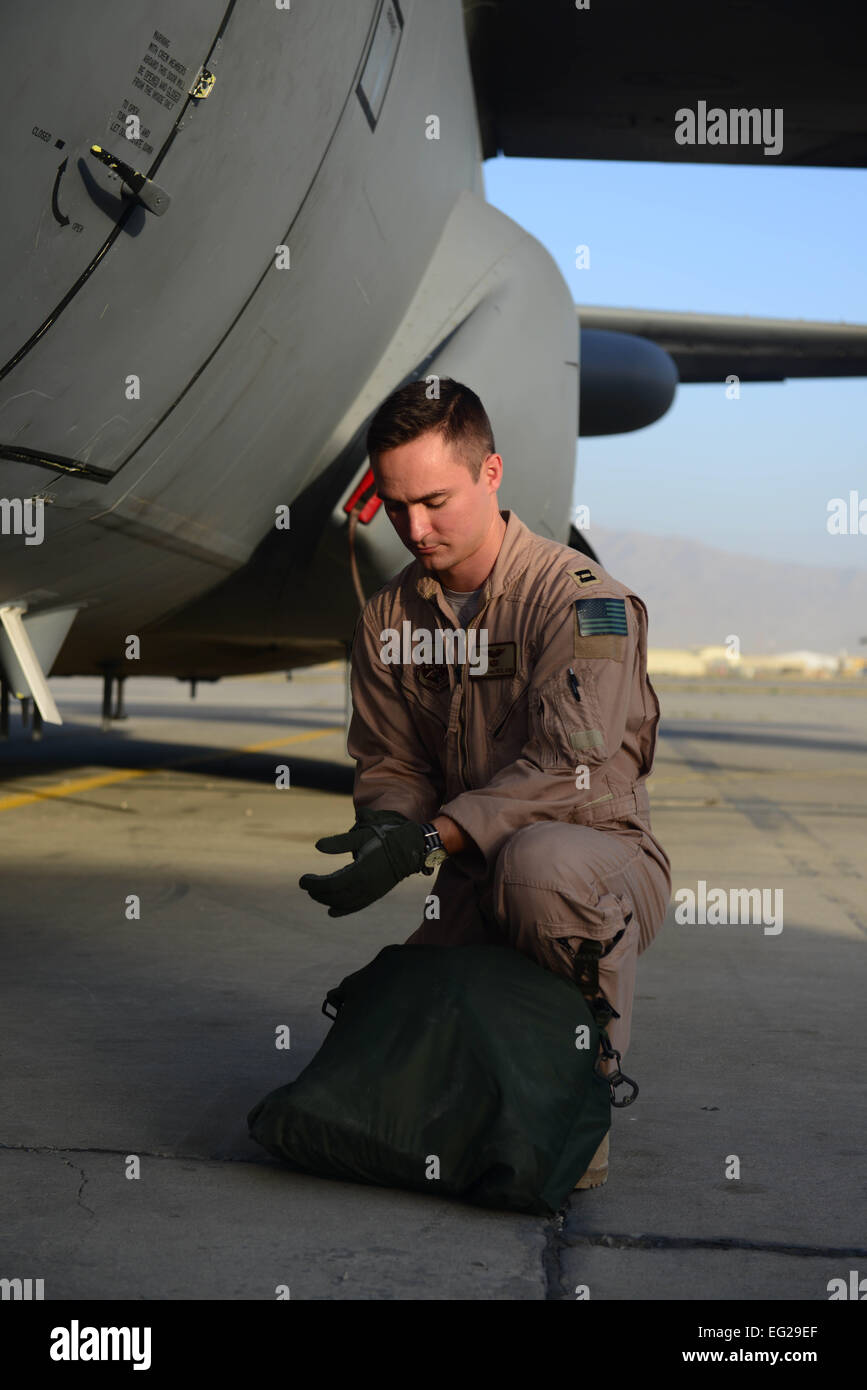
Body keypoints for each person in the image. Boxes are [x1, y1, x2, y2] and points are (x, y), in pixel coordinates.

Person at [300, 377, 671, 1188]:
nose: (414, 528)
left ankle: (578, 1106)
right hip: (472, 874)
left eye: (434, 500)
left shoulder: (580, 603)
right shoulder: (391, 618)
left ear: (491, 473)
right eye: (395, 507)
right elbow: (390, 760)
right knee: (385, 1059)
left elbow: (565, 771)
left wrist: (432, 836)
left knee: (536, 868)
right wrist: (387, 829)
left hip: (595, 861)